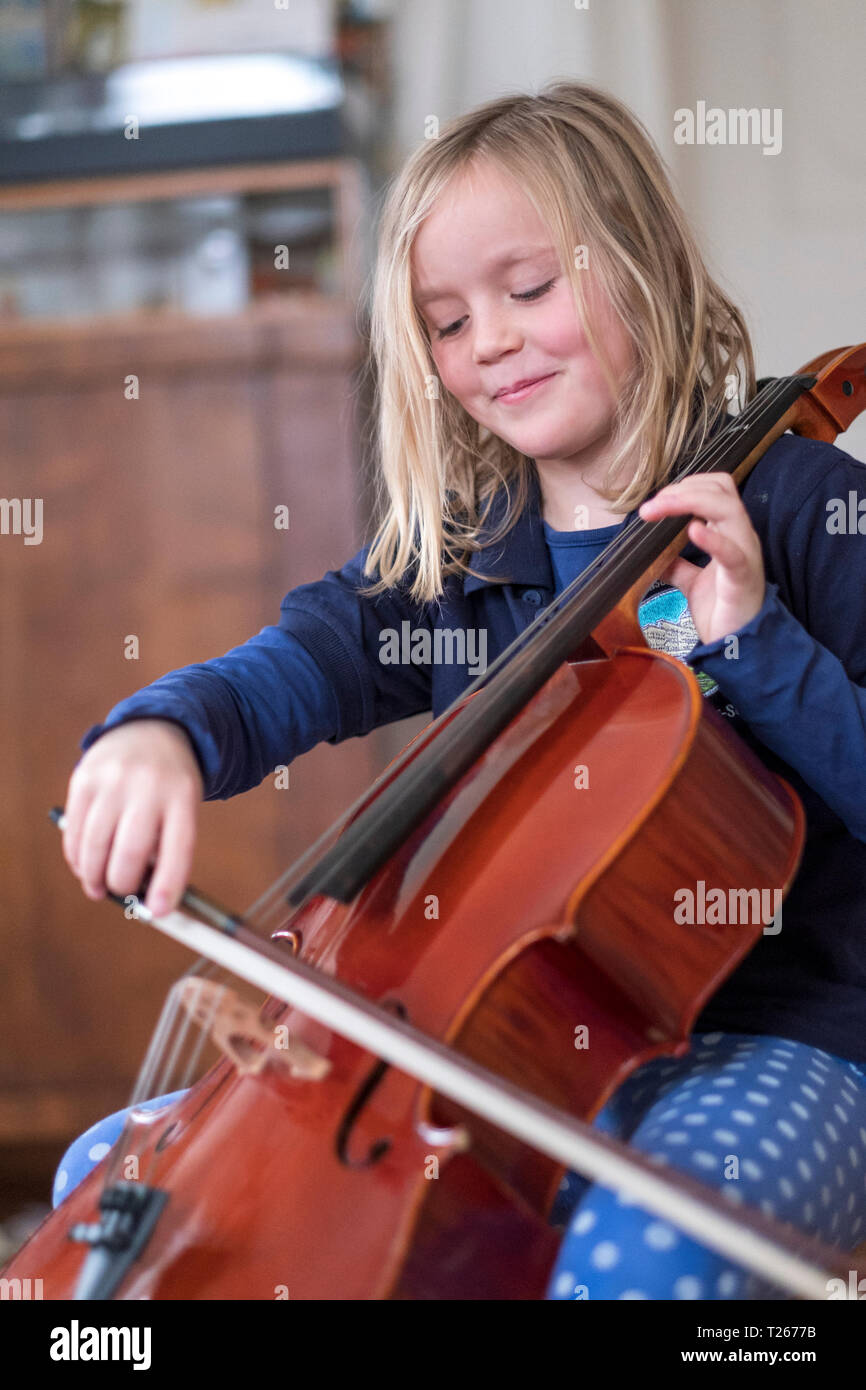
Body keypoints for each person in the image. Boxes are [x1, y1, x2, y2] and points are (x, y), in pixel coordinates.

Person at [53, 81, 866, 1300]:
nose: (485, 341)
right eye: (444, 321)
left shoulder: (800, 508)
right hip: (500, 1053)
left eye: (528, 291)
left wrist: (756, 644)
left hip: (785, 1046)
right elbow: (309, 657)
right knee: (121, 1191)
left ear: (638, 263)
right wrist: (165, 729)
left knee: (637, 1259)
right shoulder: (464, 556)